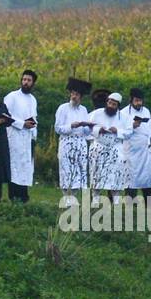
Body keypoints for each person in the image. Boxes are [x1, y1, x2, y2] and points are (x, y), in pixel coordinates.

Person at [55, 77, 93, 206]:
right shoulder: (63, 108)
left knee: (79, 169)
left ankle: (74, 196)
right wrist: (71, 126)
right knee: (66, 168)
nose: (74, 96)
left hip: (80, 142)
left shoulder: (83, 110)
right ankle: (66, 197)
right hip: (67, 142)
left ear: (81, 96)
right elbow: (58, 128)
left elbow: (86, 132)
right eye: (72, 94)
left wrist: (89, 127)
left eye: (76, 94)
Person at [3, 69, 39, 201]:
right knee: (15, 166)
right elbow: (5, 116)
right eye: (24, 79)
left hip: (28, 138)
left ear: (33, 83)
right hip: (15, 136)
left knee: (26, 166)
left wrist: (34, 131)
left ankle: (24, 195)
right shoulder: (12, 96)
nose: (26, 82)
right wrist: (22, 123)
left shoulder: (33, 99)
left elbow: (35, 117)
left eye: (29, 80)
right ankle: (13, 196)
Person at [87, 88, 125, 203]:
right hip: (98, 148)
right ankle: (95, 201)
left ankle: (116, 202)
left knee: (115, 177)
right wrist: (98, 130)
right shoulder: (95, 114)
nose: (111, 106)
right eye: (109, 103)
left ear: (117, 106)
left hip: (115, 149)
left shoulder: (123, 117)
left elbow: (128, 132)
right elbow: (87, 129)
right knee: (96, 175)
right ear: (106, 102)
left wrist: (117, 131)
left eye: (114, 104)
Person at [121, 88, 151, 199]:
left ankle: (149, 203)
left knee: (147, 177)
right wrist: (133, 126)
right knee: (131, 178)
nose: (138, 103)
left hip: (145, 150)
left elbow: (150, 126)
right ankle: (131, 205)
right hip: (131, 151)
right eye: (136, 100)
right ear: (131, 100)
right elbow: (121, 132)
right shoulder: (123, 113)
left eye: (140, 100)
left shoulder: (146, 111)